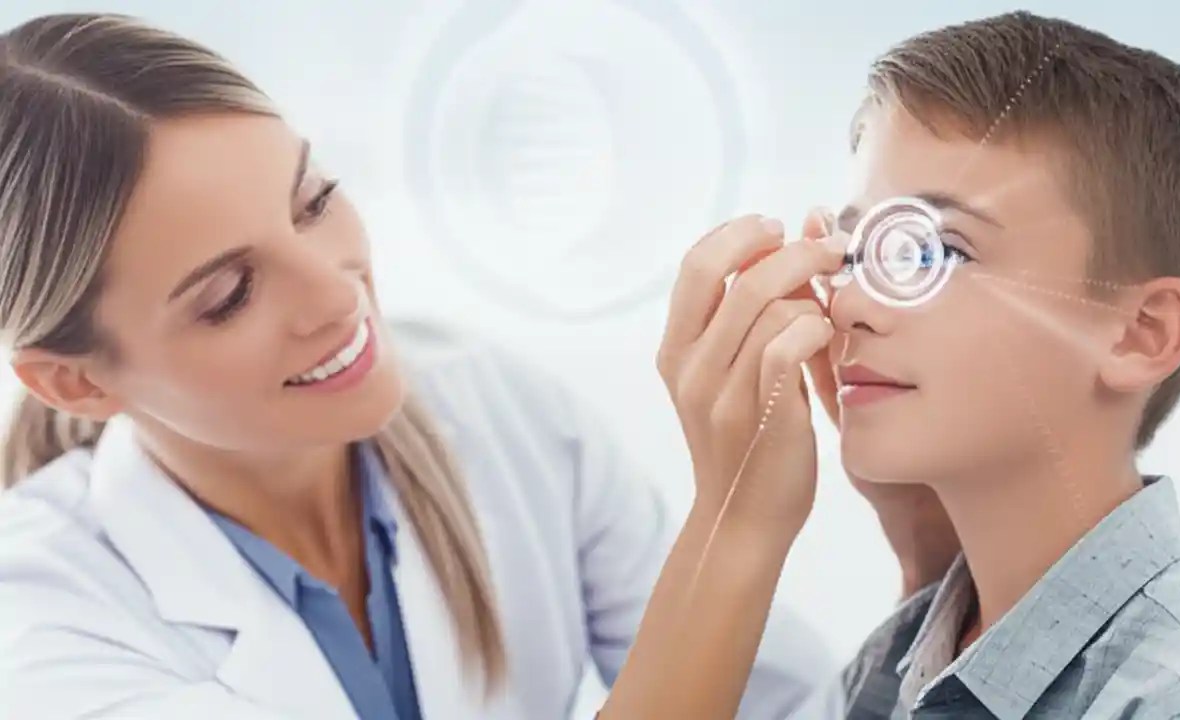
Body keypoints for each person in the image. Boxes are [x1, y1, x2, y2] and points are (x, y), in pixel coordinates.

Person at [0, 12, 844, 720]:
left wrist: (919, 546)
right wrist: (736, 523)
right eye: (228, 294)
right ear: (78, 381)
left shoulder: (498, 410)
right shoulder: (44, 625)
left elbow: (796, 705)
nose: (337, 296)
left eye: (314, 201)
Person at [611, 9, 1180, 720]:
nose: (850, 306)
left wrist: (738, 519)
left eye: (939, 251)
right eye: (860, 247)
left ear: (1138, 334)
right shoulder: (907, 656)